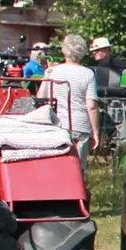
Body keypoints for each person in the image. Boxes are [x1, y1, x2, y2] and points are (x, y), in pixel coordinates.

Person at [42, 32, 101, 163]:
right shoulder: (88, 74)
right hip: (80, 127)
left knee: (58, 166)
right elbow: (91, 106)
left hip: (57, 124)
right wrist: (96, 132)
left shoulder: (53, 71)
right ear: (83, 52)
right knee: (78, 169)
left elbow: (41, 97)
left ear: (64, 50)